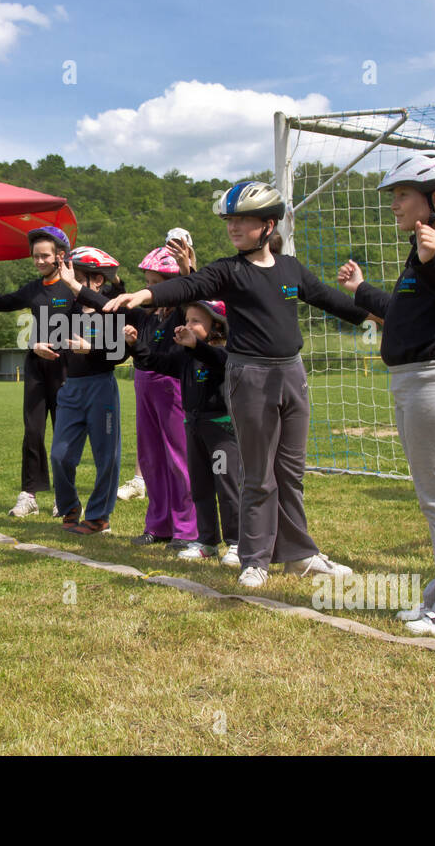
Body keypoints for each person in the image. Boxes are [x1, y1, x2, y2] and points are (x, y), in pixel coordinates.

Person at [105, 181, 371, 588]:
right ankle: (254, 557)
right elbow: (189, 286)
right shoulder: (229, 271)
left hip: (292, 375)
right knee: (258, 474)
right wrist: (144, 293)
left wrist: (379, 313)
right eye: (229, 220)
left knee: (291, 473)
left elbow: (333, 302)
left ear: (267, 225)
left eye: (242, 220)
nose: (233, 227)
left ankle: (299, 554)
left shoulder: (290, 269)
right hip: (250, 377)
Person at [336, 149, 435, 638]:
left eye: (402, 195)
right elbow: (400, 315)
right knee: (434, 499)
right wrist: (361, 289)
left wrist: (433, 256)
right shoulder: (424, 255)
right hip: (414, 384)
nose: (395, 205)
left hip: (434, 383)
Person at [0, 227, 74, 518]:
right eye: (35, 256)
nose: (39, 261)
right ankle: (29, 495)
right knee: (33, 431)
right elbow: (2, 304)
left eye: (45, 256)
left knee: (63, 432)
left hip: (66, 367)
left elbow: (90, 325)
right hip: (37, 366)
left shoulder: (73, 289)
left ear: (59, 257)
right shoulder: (33, 288)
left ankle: (65, 497)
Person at [128, 300, 241, 564]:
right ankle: (207, 541)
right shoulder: (184, 355)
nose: (187, 325)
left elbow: (216, 359)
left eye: (196, 321)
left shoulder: (226, 352)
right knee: (200, 486)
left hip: (220, 432)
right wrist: (135, 346)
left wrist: (196, 346)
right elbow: (155, 361)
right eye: (187, 320)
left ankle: (237, 542)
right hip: (193, 427)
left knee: (226, 485)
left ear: (216, 327)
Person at [42, 247, 130, 535]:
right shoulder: (68, 310)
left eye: (76, 277)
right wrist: (38, 346)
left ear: (97, 282)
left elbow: (118, 354)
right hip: (71, 389)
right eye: (70, 276)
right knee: (60, 455)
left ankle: (99, 516)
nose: (70, 282)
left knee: (107, 455)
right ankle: (69, 508)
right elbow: (47, 337)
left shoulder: (111, 311)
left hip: (101, 388)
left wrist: (91, 349)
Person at [126, 244, 198, 548]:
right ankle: (158, 525)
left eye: (157, 284)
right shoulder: (147, 315)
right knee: (151, 458)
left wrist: (186, 272)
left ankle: (187, 529)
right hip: (143, 386)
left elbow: (192, 292)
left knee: (178, 459)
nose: (150, 290)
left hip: (172, 389)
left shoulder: (182, 311)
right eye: (148, 283)